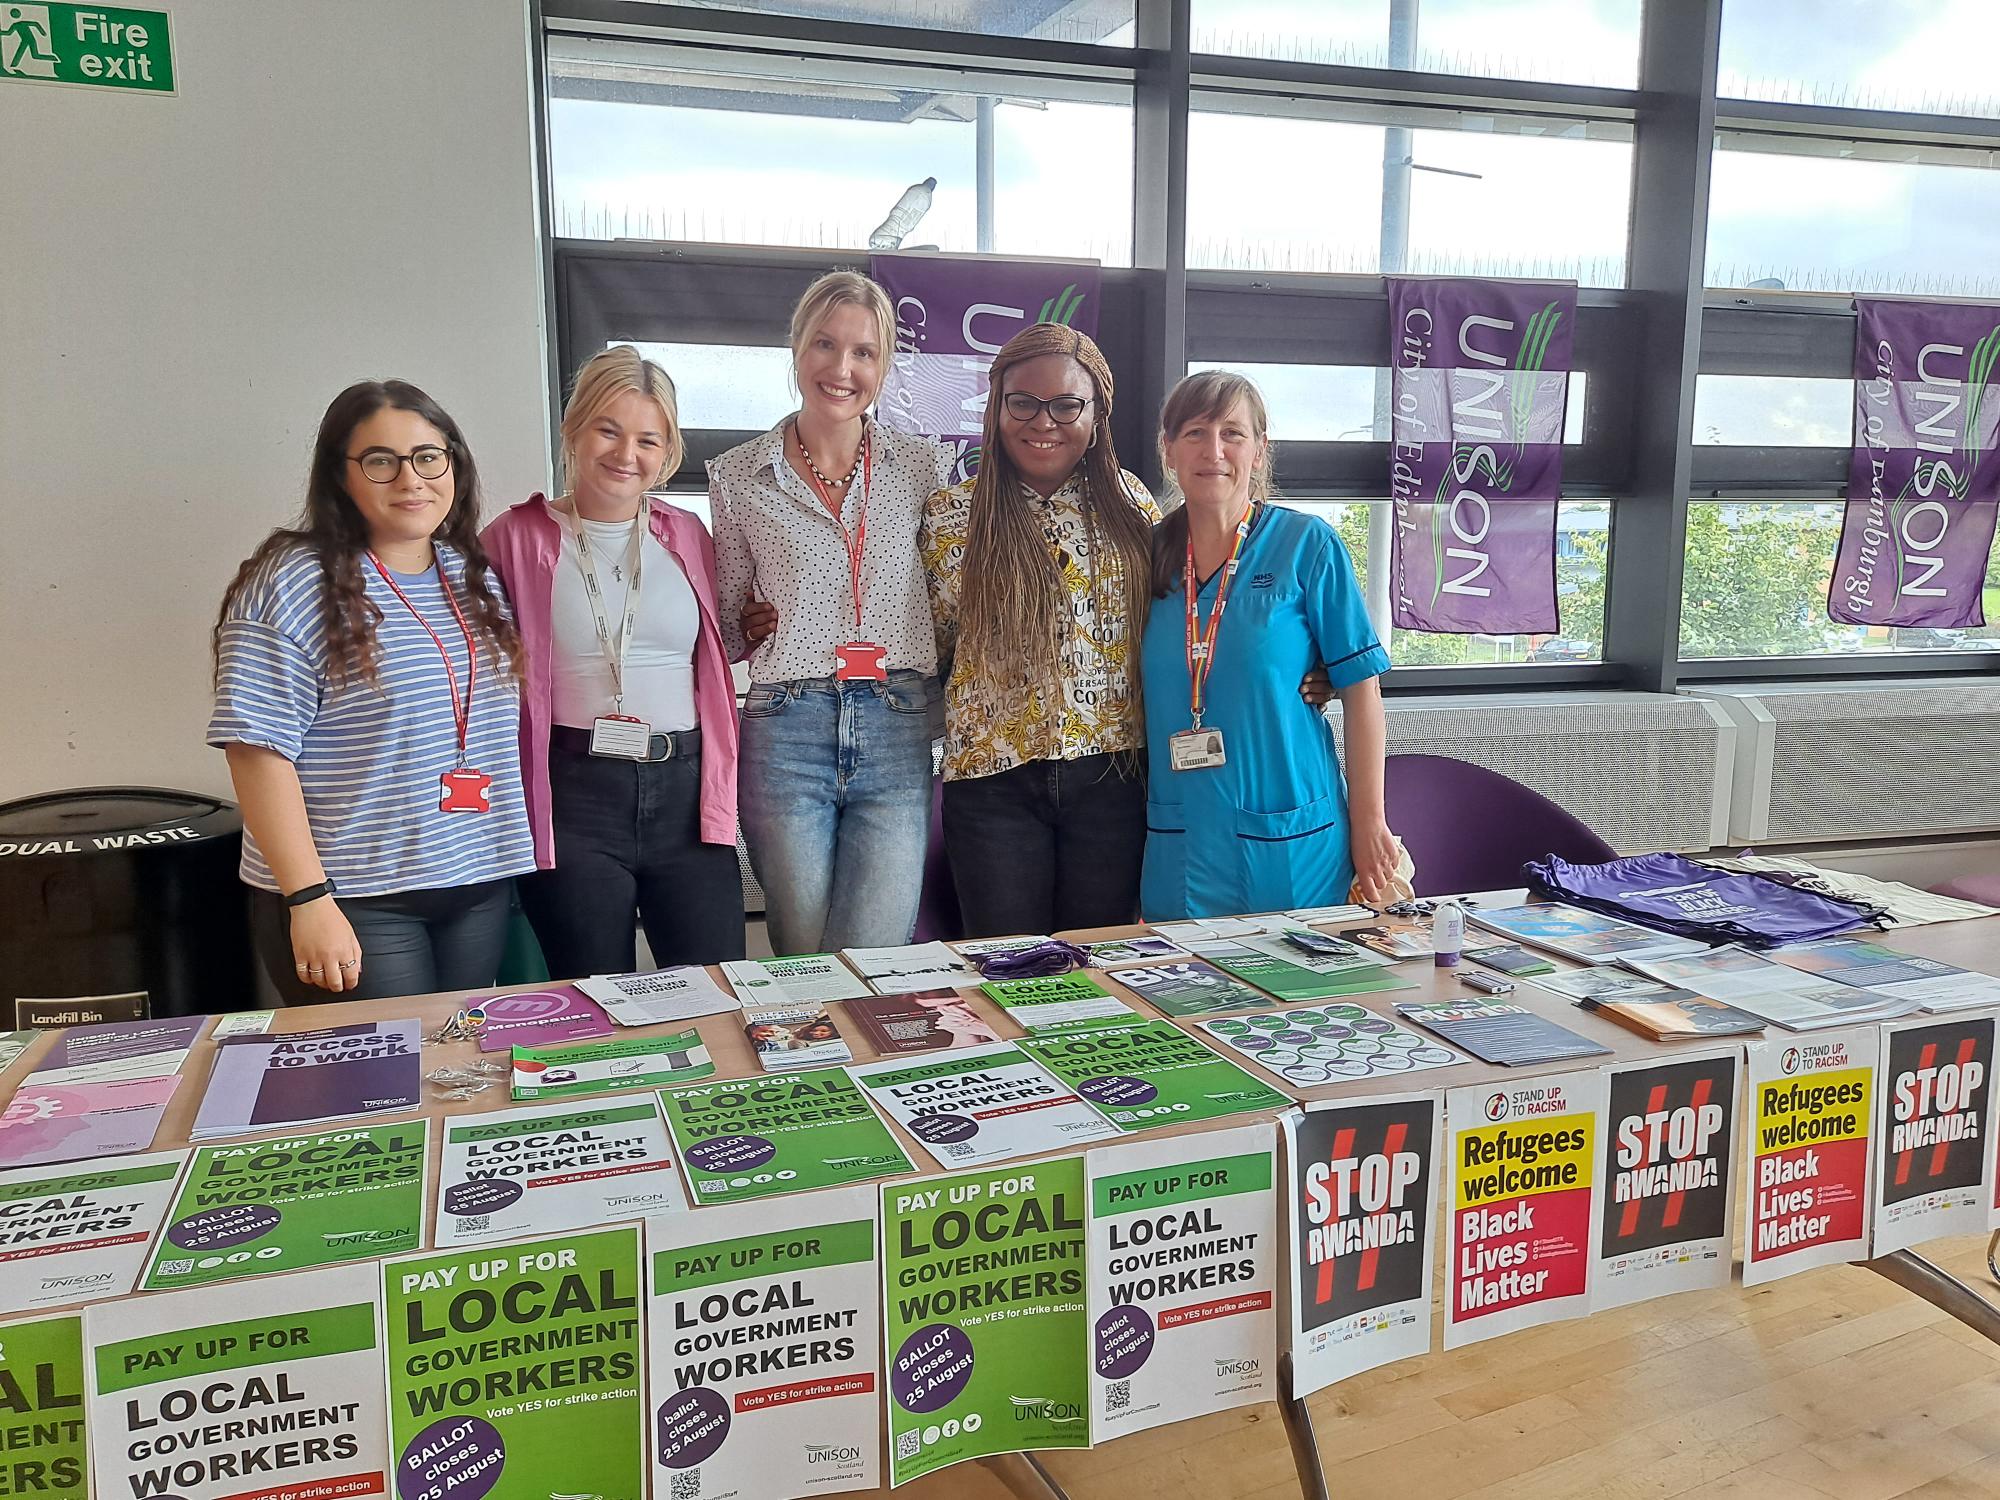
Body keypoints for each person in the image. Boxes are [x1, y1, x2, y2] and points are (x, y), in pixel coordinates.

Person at [211, 380, 535, 1002]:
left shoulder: (474, 578)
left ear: (454, 468)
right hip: (354, 897)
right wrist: (307, 899)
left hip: (474, 883)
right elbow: (255, 750)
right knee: (382, 1090)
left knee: (454, 1071)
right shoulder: (292, 580)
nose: (410, 480)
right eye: (381, 461)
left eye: (428, 457)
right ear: (341, 476)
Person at [710, 270, 951, 957]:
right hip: (787, 727)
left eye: (864, 352)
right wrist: (749, 624)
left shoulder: (923, 468)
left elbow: (949, 597)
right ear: (796, 349)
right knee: (804, 956)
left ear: (885, 365)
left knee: (874, 953)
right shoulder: (737, 475)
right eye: (824, 344)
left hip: (898, 724)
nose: (841, 368)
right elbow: (725, 628)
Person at [484, 346, 744, 979]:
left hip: (685, 791)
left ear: (668, 450)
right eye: (608, 429)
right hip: (575, 794)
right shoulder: (513, 538)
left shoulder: (689, 535)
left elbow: (712, 651)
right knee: (593, 999)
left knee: (718, 991)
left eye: (647, 439)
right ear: (574, 429)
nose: (626, 455)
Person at [920, 324, 1160, 937]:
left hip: (1114, 777)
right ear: (996, 406)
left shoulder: (1133, 508)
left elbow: (1175, 624)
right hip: (992, 785)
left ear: (1098, 413)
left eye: (1066, 404)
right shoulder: (951, 516)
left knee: (1099, 968)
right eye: (1021, 401)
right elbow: (935, 646)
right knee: (1009, 973)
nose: (1042, 421)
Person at [1140, 370, 1395, 920]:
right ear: (1168, 450)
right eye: (1194, 433)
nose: (1214, 450)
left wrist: (1369, 818)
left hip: (1293, 829)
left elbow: (1361, 689)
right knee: (1185, 995)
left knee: (1306, 992)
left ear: (1259, 451)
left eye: (1233, 433)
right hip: (1181, 831)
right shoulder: (1147, 555)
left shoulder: (1306, 545)